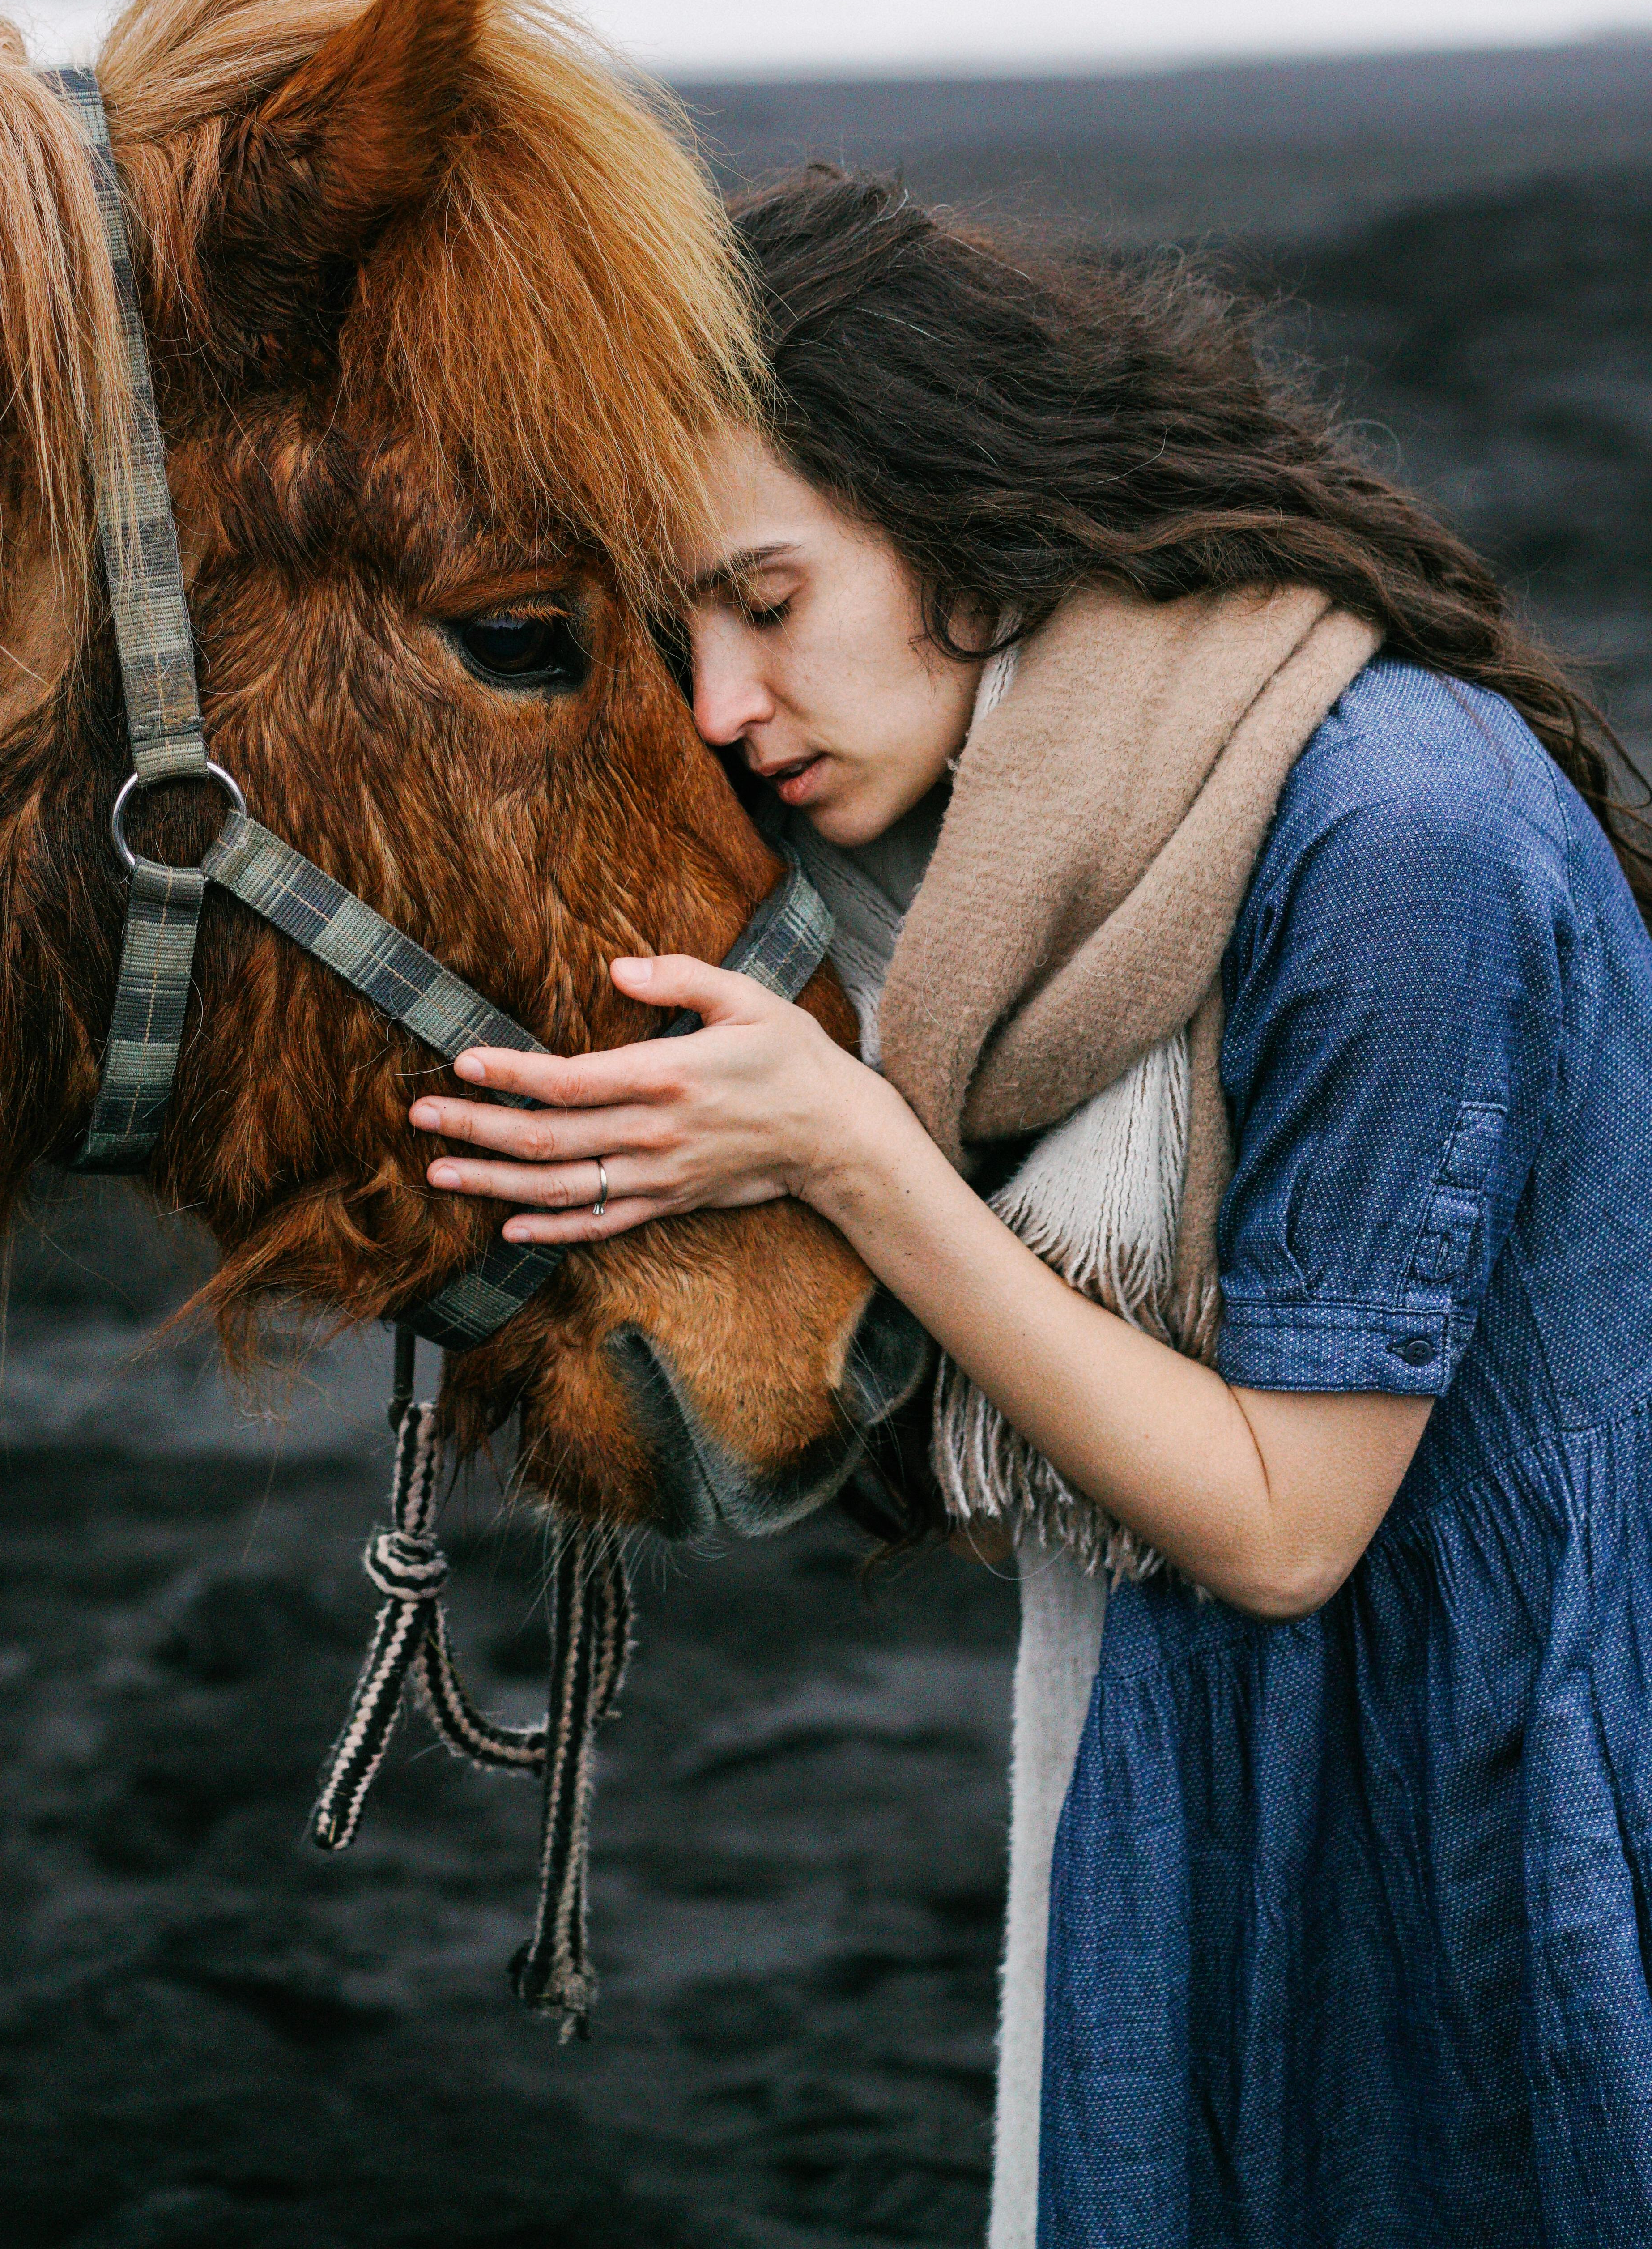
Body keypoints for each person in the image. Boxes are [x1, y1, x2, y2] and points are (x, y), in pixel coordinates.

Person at [409, 170, 1652, 2249]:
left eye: (767, 598)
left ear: (967, 529)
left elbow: (1282, 1524)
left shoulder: (1395, 834)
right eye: (675, 632)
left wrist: (853, 1155)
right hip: (1227, 1755)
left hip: (1473, 1788)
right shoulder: (1027, 868)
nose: (719, 703)